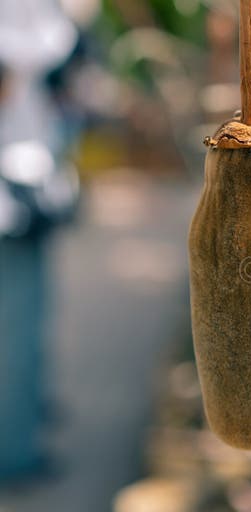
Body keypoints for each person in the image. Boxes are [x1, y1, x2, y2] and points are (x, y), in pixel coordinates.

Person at [0, 0, 80, 478]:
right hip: (11, 189)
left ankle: (23, 418)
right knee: (18, 326)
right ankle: (15, 450)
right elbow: (36, 48)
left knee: (25, 319)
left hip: (23, 185)